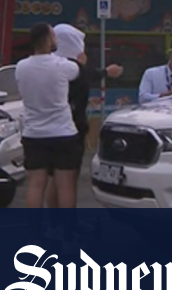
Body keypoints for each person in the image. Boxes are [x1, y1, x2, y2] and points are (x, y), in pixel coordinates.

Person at [44, 24, 123, 211]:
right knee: (67, 180)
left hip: (46, 130)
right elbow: (85, 74)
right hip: (70, 131)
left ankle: (52, 220)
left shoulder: (46, 67)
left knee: (51, 178)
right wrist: (105, 71)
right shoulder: (73, 70)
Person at [14, 23, 82, 228]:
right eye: (54, 36)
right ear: (48, 39)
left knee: (35, 185)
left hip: (34, 134)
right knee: (65, 187)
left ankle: (35, 235)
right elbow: (78, 71)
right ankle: (67, 235)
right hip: (63, 133)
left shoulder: (21, 67)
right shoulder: (64, 66)